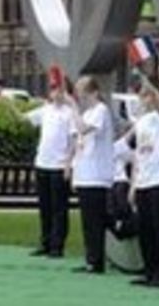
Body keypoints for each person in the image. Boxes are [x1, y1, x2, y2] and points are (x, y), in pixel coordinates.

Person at [129, 77, 159, 288]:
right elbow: (138, 154)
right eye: (143, 96)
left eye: (149, 95)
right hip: (144, 180)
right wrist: (134, 184)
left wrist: (151, 81)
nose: (146, 99)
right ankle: (149, 270)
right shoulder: (141, 121)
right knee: (145, 229)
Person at [68, 75, 114, 273]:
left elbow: (83, 129)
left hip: (97, 175)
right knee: (87, 220)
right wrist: (75, 172)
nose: (80, 97)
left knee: (95, 220)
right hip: (85, 174)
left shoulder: (101, 111)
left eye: (83, 93)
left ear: (94, 92)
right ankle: (90, 257)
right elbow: (79, 143)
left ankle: (97, 260)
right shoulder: (87, 113)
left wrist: (73, 107)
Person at [25, 77, 74, 258]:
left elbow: (73, 140)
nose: (57, 94)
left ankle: (57, 245)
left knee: (58, 207)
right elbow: (25, 119)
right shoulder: (45, 110)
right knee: (44, 206)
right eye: (54, 90)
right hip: (43, 162)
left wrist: (68, 163)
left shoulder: (69, 113)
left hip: (59, 164)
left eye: (60, 90)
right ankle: (45, 241)